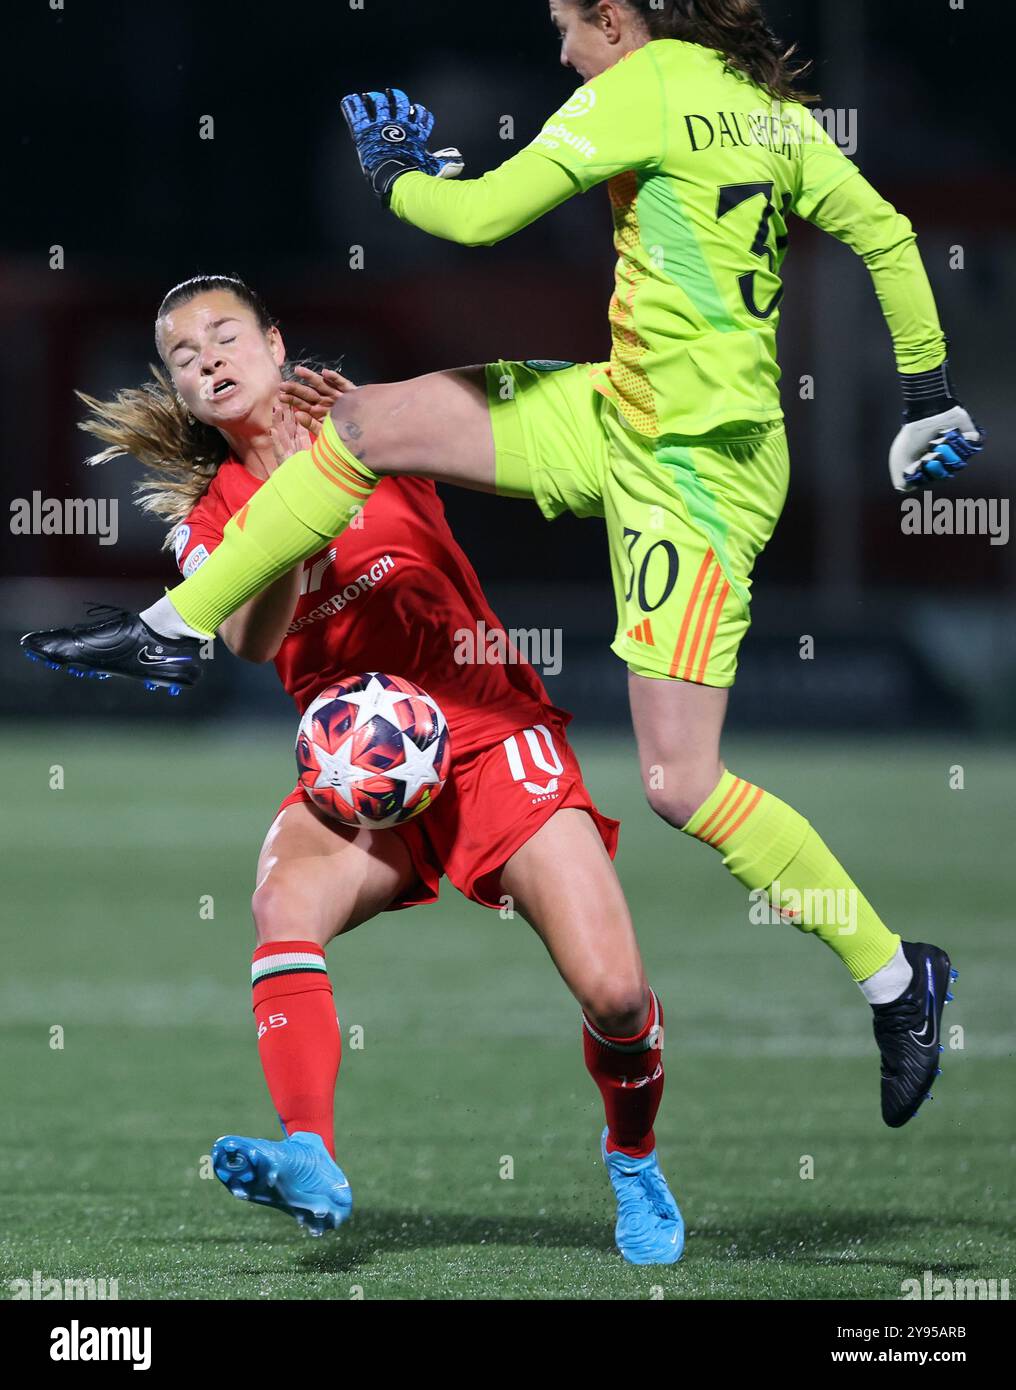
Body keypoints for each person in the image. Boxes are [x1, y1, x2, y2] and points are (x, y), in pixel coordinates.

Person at [24, 1, 972, 1128]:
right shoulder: (766, 114)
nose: (560, 50)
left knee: (679, 784)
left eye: (568, 27)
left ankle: (892, 978)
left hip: (697, 479)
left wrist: (398, 178)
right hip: (617, 407)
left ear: (615, 20)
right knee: (365, 423)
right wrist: (924, 394)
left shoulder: (639, 86)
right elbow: (886, 235)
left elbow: (472, 220)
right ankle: (175, 629)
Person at [66, 273, 684, 1265]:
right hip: (360, 772)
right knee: (281, 902)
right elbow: (249, 639)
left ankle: (632, 1156)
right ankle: (309, 1152)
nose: (209, 360)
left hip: (485, 731)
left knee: (614, 995)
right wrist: (286, 537)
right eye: (185, 357)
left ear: (275, 344)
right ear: (181, 393)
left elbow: (510, 427)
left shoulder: (370, 426)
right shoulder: (209, 516)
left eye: (225, 336)